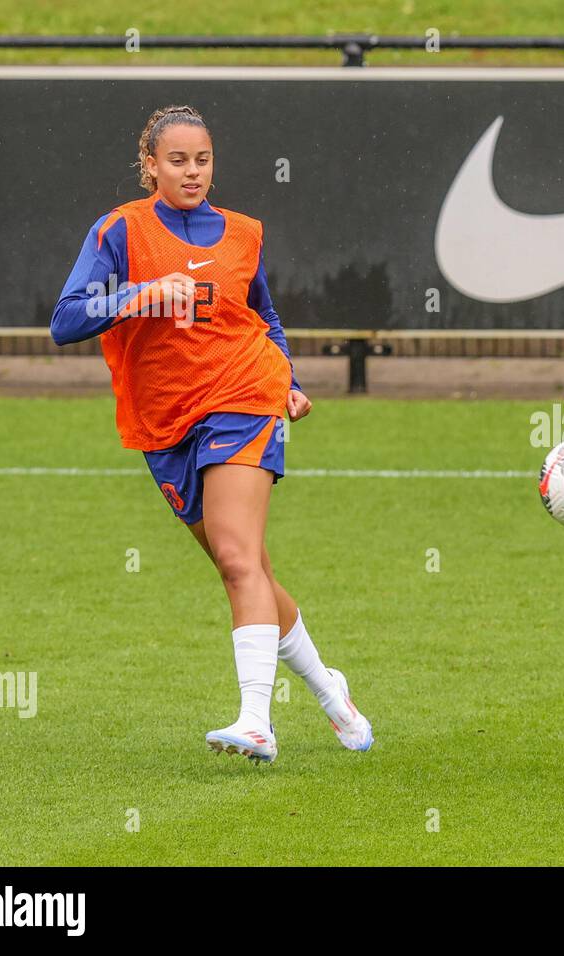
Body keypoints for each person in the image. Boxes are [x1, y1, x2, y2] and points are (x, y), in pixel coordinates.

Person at [51, 104, 372, 764]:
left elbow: (264, 316)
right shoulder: (120, 231)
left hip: (243, 398)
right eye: (178, 160)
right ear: (151, 166)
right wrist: (139, 294)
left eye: (202, 160)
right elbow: (66, 319)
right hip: (163, 421)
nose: (193, 171)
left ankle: (256, 721)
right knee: (247, 568)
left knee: (235, 558)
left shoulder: (243, 233)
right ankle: (330, 690)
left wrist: (285, 378)